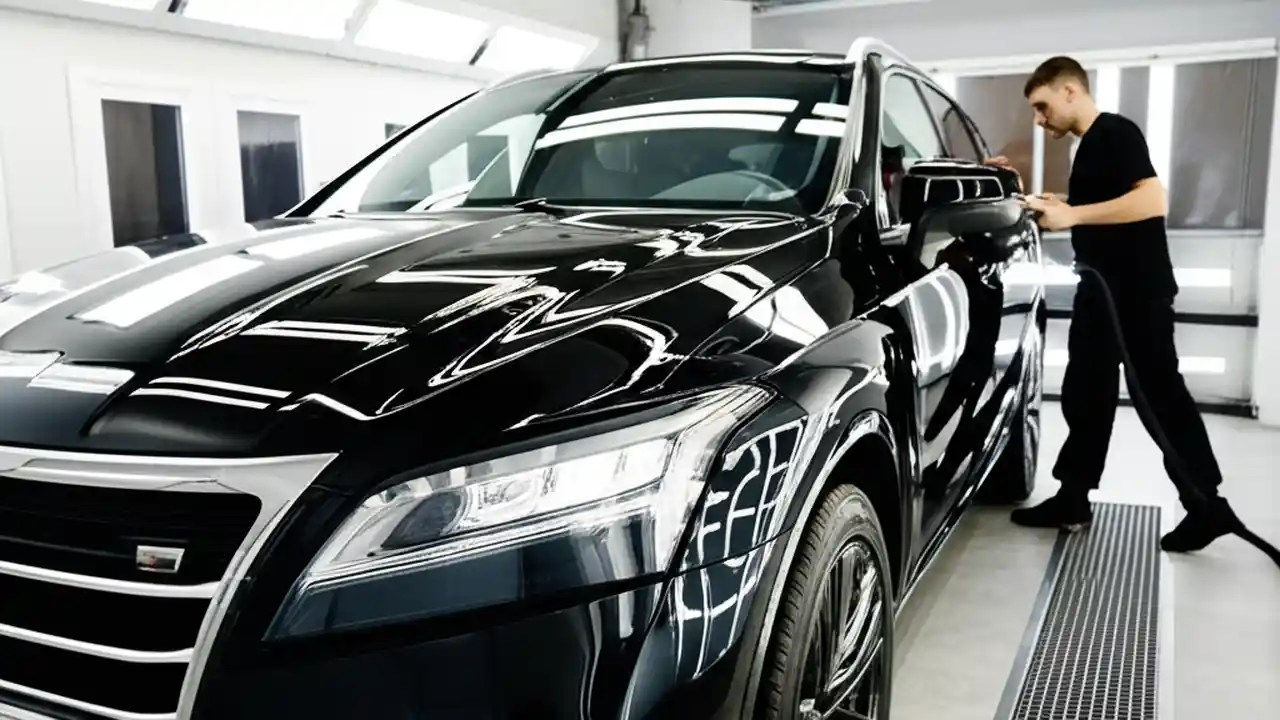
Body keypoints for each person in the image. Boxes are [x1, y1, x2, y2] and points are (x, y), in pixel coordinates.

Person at [989, 56, 1236, 553]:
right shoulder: (1091, 148)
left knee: (1158, 395)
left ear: (1070, 92)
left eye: (1042, 106)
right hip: (1100, 293)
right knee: (1087, 393)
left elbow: (1151, 201)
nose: (1039, 119)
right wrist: (1038, 198)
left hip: (1135, 293)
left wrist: (1073, 213)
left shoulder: (1117, 132)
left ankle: (1207, 505)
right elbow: (1100, 204)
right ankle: (1073, 496)